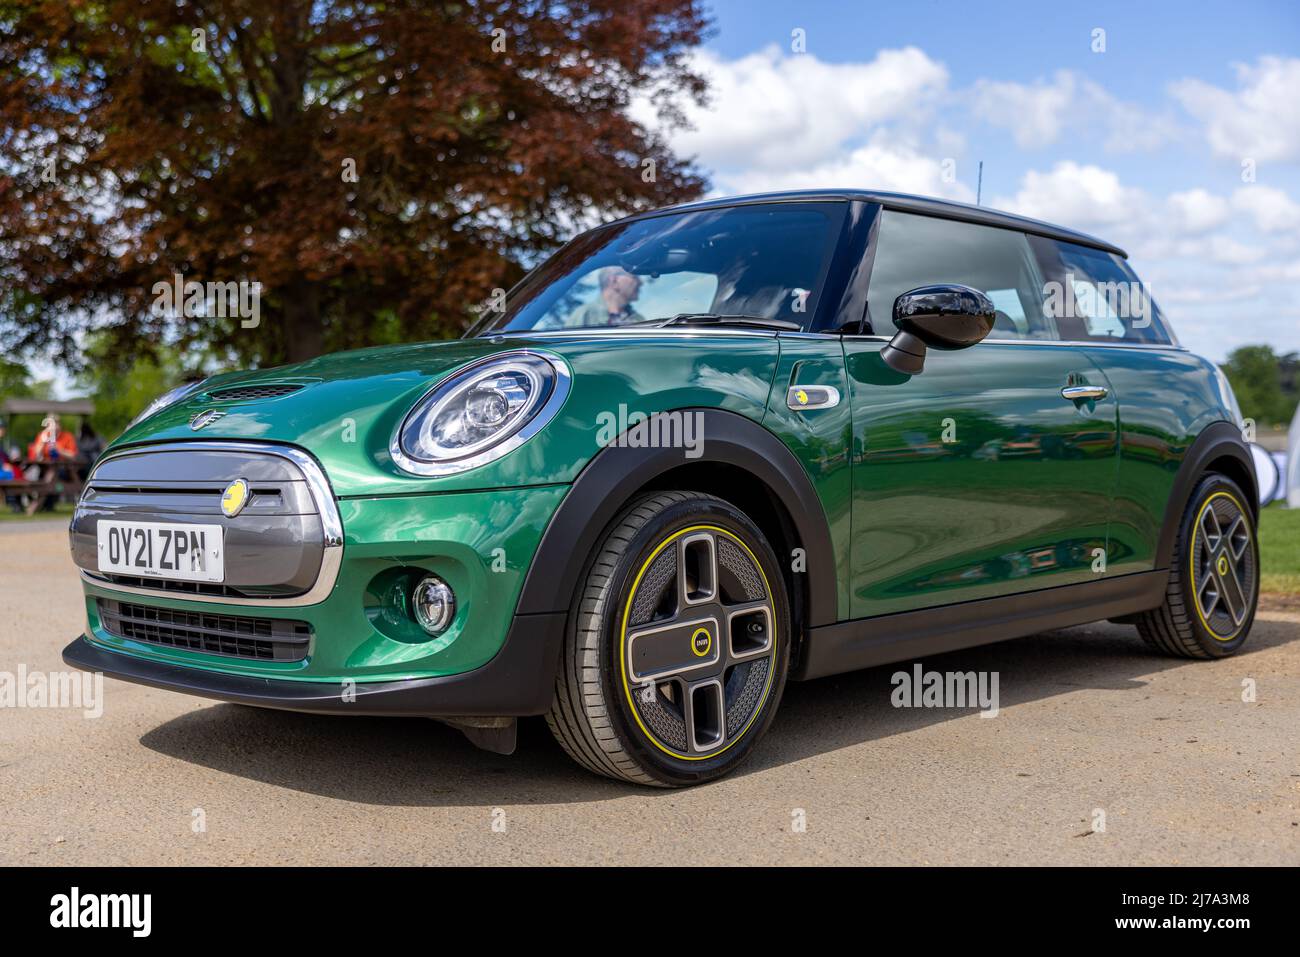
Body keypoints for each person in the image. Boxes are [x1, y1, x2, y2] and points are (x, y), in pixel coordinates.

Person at [566, 266, 645, 327]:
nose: (641, 282)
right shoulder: (584, 315)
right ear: (614, 281)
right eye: (634, 277)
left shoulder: (637, 318)